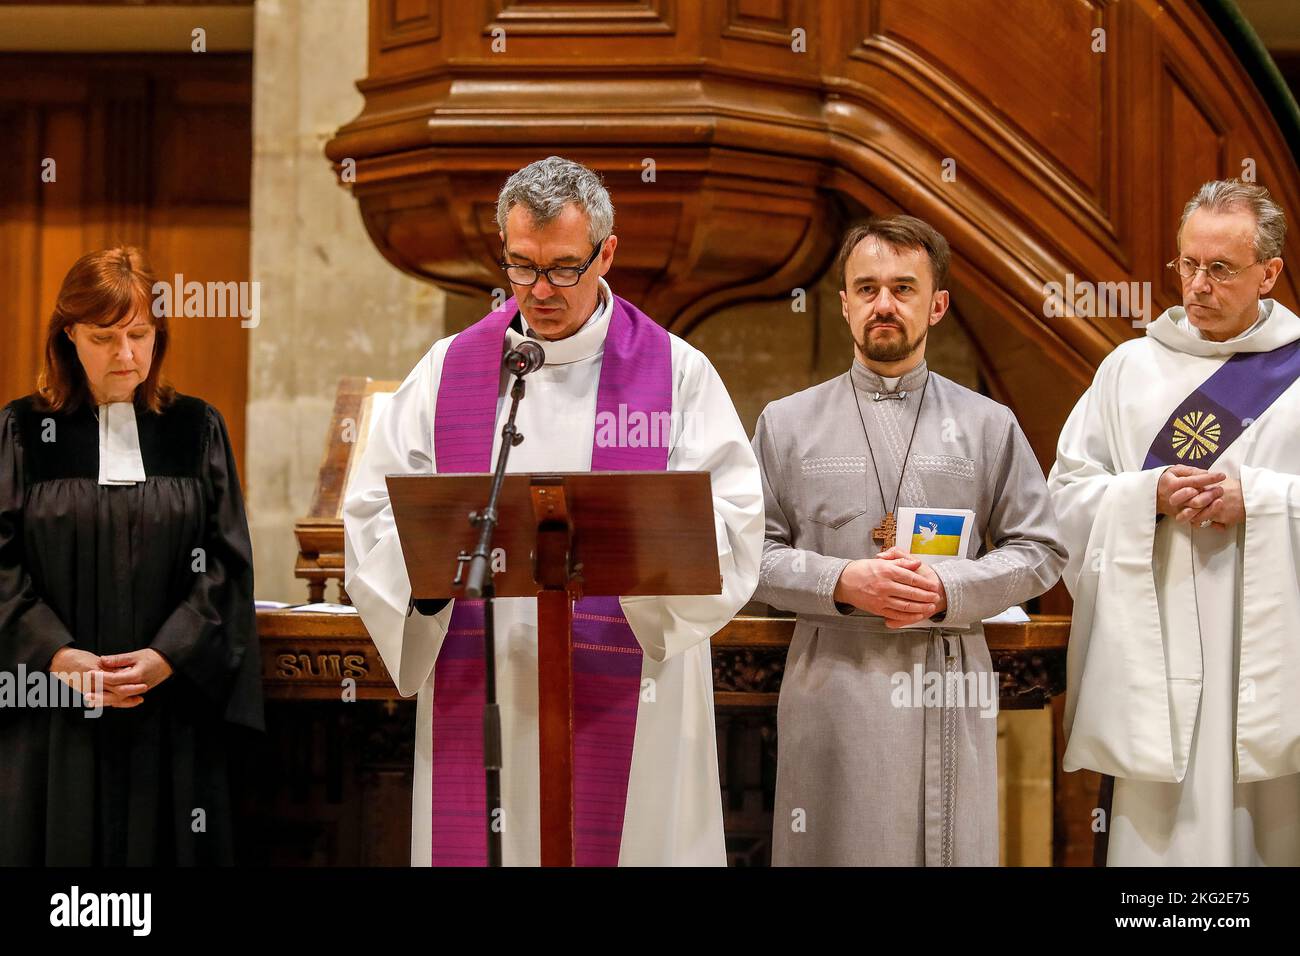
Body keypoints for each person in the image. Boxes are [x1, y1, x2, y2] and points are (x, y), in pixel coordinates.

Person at [343, 156, 763, 866]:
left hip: (632, 688)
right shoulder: (450, 373)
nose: (540, 291)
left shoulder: (677, 373)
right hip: (489, 676)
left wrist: (638, 566)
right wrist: (419, 585)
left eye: (565, 268)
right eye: (521, 266)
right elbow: (376, 513)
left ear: (607, 253)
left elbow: (735, 522)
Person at [752, 215, 1065, 865]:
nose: (884, 304)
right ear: (843, 305)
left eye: (903, 287)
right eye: (866, 289)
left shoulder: (987, 426)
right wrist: (841, 580)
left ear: (938, 304)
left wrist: (948, 587)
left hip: (946, 678)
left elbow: (1041, 549)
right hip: (834, 678)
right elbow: (745, 555)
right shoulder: (786, 424)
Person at [1050, 179, 1300, 865]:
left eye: (1220, 269)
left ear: (1268, 273)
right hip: (1153, 664)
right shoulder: (1127, 370)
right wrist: (1144, 497)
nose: (1197, 285)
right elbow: (1065, 500)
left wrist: (1267, 500)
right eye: (1188, 264)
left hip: (1274, 668)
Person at [0, 247, 262, 865]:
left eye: (140, 335)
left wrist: (167, 655)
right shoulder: (22, 431)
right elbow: (1, 563)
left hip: (169, 711)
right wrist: (56, 655)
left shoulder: (195, 429)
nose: (126, 356)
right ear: (69, 335)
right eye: (104, 337)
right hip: (53, 714)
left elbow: (225, 562)